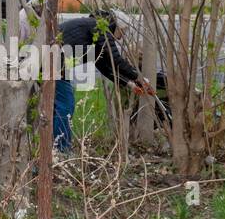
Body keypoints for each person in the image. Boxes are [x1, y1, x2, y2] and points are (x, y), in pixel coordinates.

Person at [54, 9, 152, 152]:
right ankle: (61, 151)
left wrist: (130, 84)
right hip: (53, 63)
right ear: (116, 25)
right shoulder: (100, 28)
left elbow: (104, 66)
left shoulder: (92, 29)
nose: (121, 37)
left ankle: (53, 150)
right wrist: (138, 77)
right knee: (65, 106)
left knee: (57, 108)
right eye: (122, 31)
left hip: (49, 61)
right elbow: (116, 61)